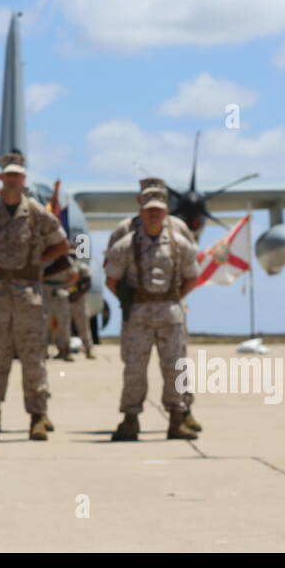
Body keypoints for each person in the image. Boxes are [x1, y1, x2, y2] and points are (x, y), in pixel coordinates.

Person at [0, 153, 69, 442]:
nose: (13, 180)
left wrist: (37, 264)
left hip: (28, 295)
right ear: (1, 178)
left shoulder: (37, 213)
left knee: (34, 358)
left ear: (23, 179)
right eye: (8, 175)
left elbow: (61, 244)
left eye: (17, 175)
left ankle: (38, 417)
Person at [103, 187, 199, 441]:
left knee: (175, 368)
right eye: (149, 211)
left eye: (158, 210)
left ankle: (178, 419)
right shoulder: (125, 244)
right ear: (141, 213)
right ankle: (130, 419)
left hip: (170, 313)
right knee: (134, 368)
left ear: (166, 212)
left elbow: (192, 276)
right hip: (138, 315)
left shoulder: (180, 244)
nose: (153, 215)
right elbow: (111, 279)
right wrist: (130, 302)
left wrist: (174, 299)